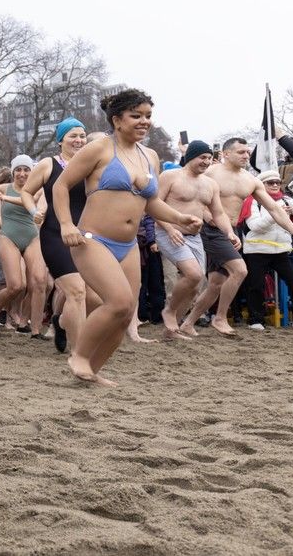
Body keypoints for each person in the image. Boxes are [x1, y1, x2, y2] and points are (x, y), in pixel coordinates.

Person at [53, 89, 202, 386]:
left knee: (125, 314)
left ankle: (91, 372)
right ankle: (78, 356)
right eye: (136, 115)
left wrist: (178, 217)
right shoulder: (99, 149)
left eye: (148, 116)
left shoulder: (150, 156)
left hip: (128, 244)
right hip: (92, 240)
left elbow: (151, 203)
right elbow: (61, 185)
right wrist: (66, 225)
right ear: (117, 120)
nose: (144, 121)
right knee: (119, 302)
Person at [181, 137, 293, 333]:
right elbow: (194, 199)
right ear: (226, 154)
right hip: (212, 230)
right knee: (240, 271)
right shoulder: (210, 173)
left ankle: (186, 323)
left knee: (216, 284)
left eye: (248, 152)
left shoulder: (250, 180)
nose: (246, 155)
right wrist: (207, 216)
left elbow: (275, 209)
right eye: (241, 152)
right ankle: (219, 318)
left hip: (232, 232)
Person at [20, 117, 92, 354]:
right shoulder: (47, 164)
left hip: (86, 235)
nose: (79, 140)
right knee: (77, 291)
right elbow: (27, 193)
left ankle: (61, 322)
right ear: (61, 140)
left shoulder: (91, 164)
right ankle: (79, 352)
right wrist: (34, 212)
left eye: (82, 135)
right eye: (73, 135)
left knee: (92, 296)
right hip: (55, 234)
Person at [155, 141, 238, 339]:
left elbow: (218, 213)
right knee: (193, 274)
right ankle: (168, 311)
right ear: (191, 156)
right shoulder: (169, 176)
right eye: (202, 157)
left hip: (194, 237)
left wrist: (229, 233)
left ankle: (171, 330)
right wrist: (169, 228)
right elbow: (153, 205)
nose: (206, 162)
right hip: (169, 232)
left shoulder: (210, 184)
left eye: (209, 158)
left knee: (196, 284)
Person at [241, 170, 293, 330]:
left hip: (281, 251)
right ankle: (256, 320)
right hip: (257, 250)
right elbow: (254, 226)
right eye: (270, 182)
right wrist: (277, 213)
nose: (275, 185)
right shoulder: (252, 201)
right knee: (256, 286)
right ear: (261, 185)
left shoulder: (285, 200)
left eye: (277, 182)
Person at [0, 154, 48, 338]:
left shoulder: (37, 189)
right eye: (18, 170)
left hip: (31, 236)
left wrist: (3, 197)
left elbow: (26, 201)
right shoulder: (3, 187)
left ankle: (34, 329)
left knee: (39, 282)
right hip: (9, 237)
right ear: (13, 172)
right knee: (15, 285)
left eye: (26, 170)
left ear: (32, 172)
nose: (22, 174)